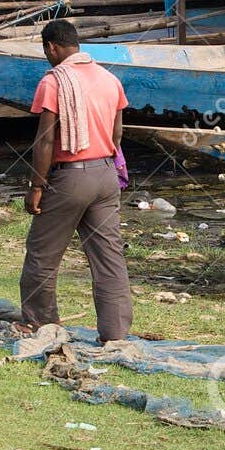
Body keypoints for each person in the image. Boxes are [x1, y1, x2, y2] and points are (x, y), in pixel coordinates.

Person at [20, 19, 133, 342]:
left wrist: (36, 186)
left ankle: (41, 325)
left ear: (51, 48)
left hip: (70, 177)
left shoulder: (54, 82)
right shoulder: (110, 79)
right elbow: (117, 134)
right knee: (108, 258)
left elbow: (44, 141)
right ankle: (115, 334)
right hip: (106, 175)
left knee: (43, 254)